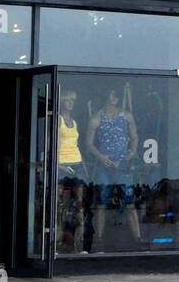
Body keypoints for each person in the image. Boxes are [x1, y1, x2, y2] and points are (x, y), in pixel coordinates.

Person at [90, 84, 141, 250]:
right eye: (111, 95)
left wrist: (130, 155)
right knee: (101, 203)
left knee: (129, 203)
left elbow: (135, 137)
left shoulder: (126, 116)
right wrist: (100, 157)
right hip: (104, 165)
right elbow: (88, 143)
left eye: (115, 96)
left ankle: (138, 239)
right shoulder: (96, 117)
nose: (114, 99)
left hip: (122, 164)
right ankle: (98, 239)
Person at [57, 88, 89, 254]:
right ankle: (56, 245)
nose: (70, 104)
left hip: (76, 163)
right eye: (68, 100)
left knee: (79, 207)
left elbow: (75, 145)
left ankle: (79, 246)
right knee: (59, 206)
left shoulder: (74, 122)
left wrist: (83, 166)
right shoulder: (58, 120)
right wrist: (59, 165)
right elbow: (52, 143)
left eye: (73, 101)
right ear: (61, 101)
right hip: (62, 164)